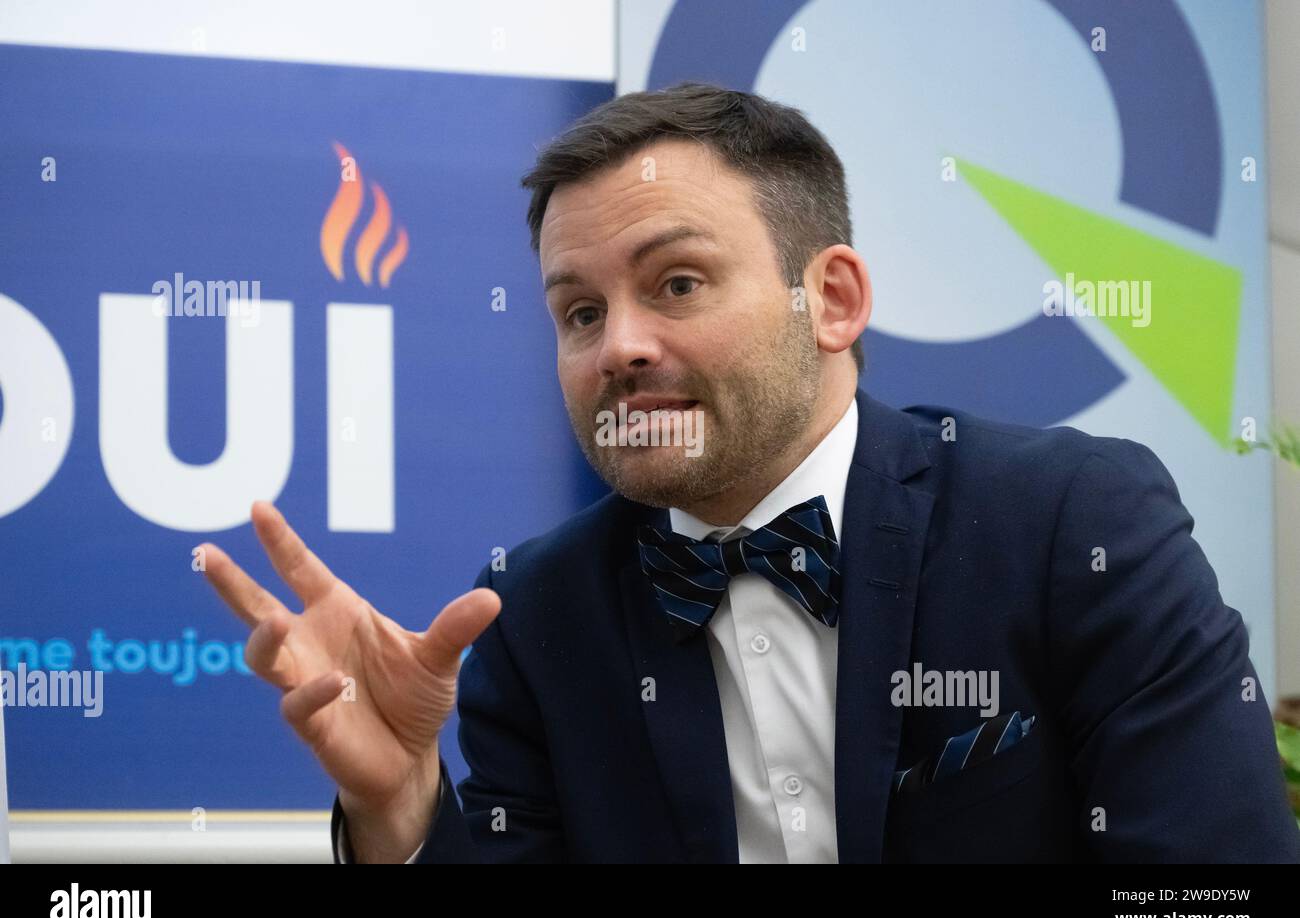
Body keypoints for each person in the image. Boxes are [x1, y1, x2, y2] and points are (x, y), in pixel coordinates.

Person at [199, 82, 1300, 863]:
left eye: (676, 282)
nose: (616, 345)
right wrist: (400, 810)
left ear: (831, 300)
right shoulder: (536, 613)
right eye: (578, 311)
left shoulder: (1070, 523)